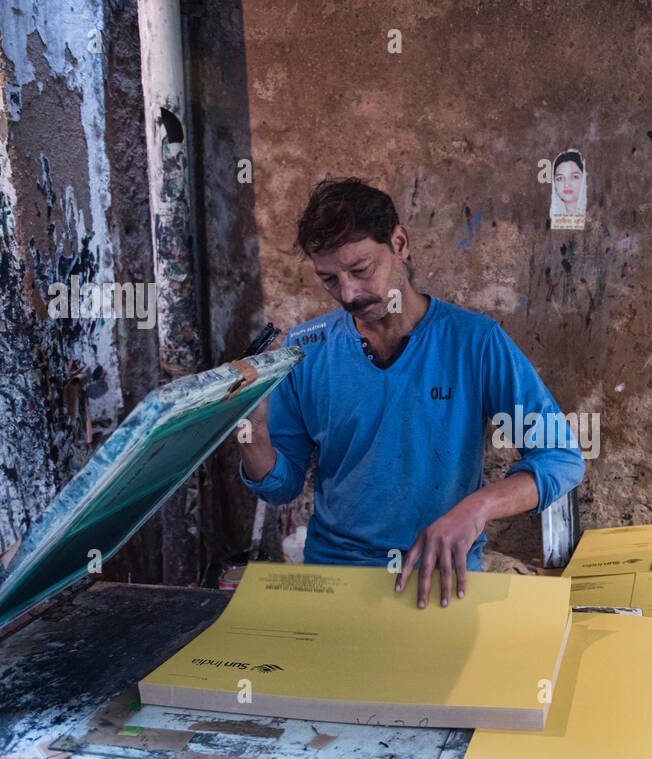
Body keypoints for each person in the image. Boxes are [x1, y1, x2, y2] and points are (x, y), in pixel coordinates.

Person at [238, 177, 584, 608]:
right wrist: (251, 430)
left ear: (400, 243)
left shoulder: (474, 342)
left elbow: (560, 458)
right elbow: (280, 487)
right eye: (329, 279)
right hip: (335, 578)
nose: (348, 293)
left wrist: (475, 509)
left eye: (361, 270)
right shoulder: (307, 350)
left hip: (442, 576)